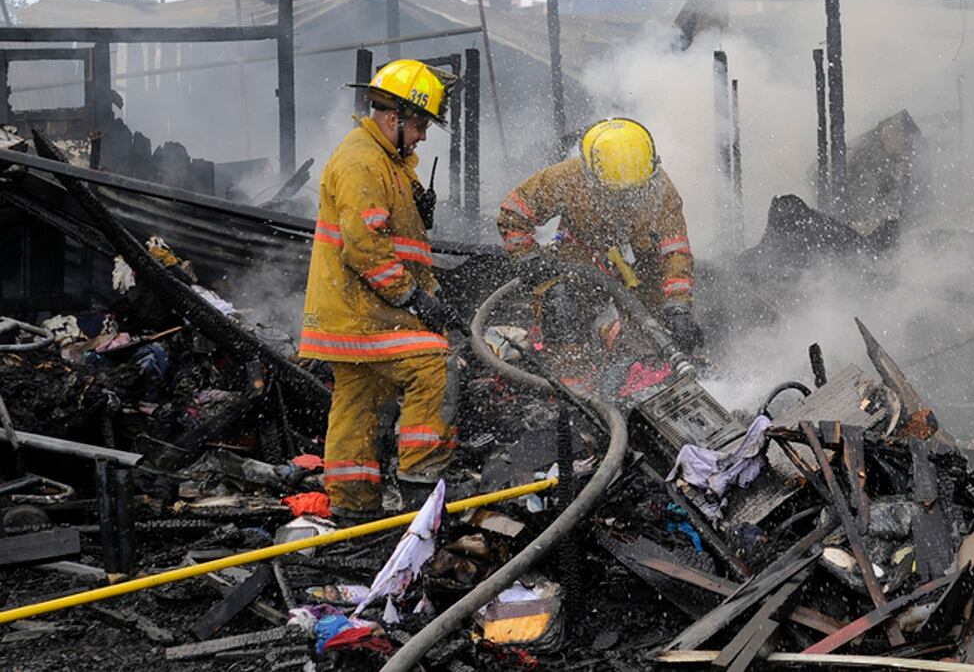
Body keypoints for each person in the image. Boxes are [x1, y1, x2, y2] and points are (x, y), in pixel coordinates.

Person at [299, 59, 459, 523]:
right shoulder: (362, 162)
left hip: (356, 311)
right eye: (420, 125)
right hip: (367, 312)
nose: (423, 136)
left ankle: (353, 507)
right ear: (394, 118)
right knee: (435, 364)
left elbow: (395, 238)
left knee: (359, 400)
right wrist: (414, 298)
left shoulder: (386, 160)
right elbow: (367, 247)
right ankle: (420, 486)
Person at [497, 117, 703, 353]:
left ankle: (631, 351)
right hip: (577, 260)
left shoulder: (662, 189)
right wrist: (526, 257)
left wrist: (678, 305)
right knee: (563, 307)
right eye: (617, 194)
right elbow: (514, 211)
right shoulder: (567, 178)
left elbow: (675, 252)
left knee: (658, 331)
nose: (627, 202)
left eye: (636, 192)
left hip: (640, 264)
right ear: (590, 176)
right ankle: (571, 368)